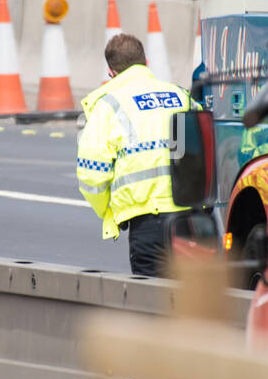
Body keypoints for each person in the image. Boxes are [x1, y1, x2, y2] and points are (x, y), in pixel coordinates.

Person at [77, 33, 194, 277]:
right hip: (191, 221)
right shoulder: (182, 96)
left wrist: (108, 211)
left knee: (152, 306)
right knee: (193, 305)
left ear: (111, 72)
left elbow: (92, 175)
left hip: (146, 224)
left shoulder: (108, 106)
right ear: (146, 63)